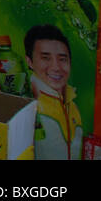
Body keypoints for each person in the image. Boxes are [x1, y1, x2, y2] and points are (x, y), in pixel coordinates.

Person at [24, 24, 83, 160]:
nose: (56, 67)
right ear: (30, 62)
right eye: (46, 58)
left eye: (62, 59)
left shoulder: (72, 105)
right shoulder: (28, 101)